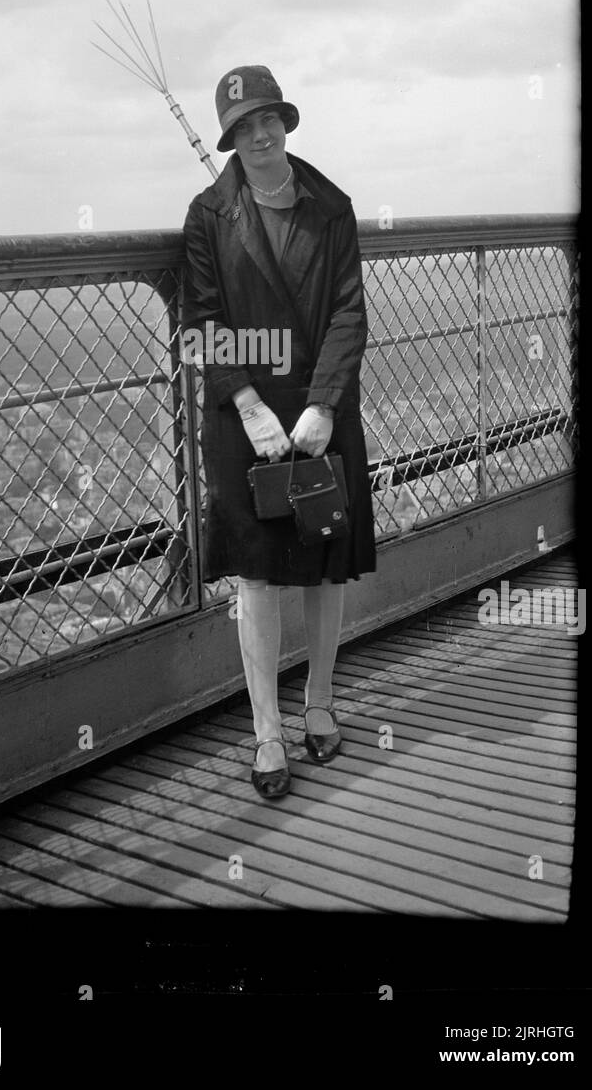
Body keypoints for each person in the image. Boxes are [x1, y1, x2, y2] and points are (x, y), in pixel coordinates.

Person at [182, 65, 376, 799]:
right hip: (245, 419)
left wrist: (323, 405)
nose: (259, 135)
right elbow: (201, 322)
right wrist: (253, 407)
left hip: (322, 409)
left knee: (326, 562)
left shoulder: (333, 207)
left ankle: (320, 701)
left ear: (284, 123)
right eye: (244, 127)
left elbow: (349, 312)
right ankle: (267, 734)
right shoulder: (208, 214)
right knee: (259, 574)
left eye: (269, 120)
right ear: (230, 138)